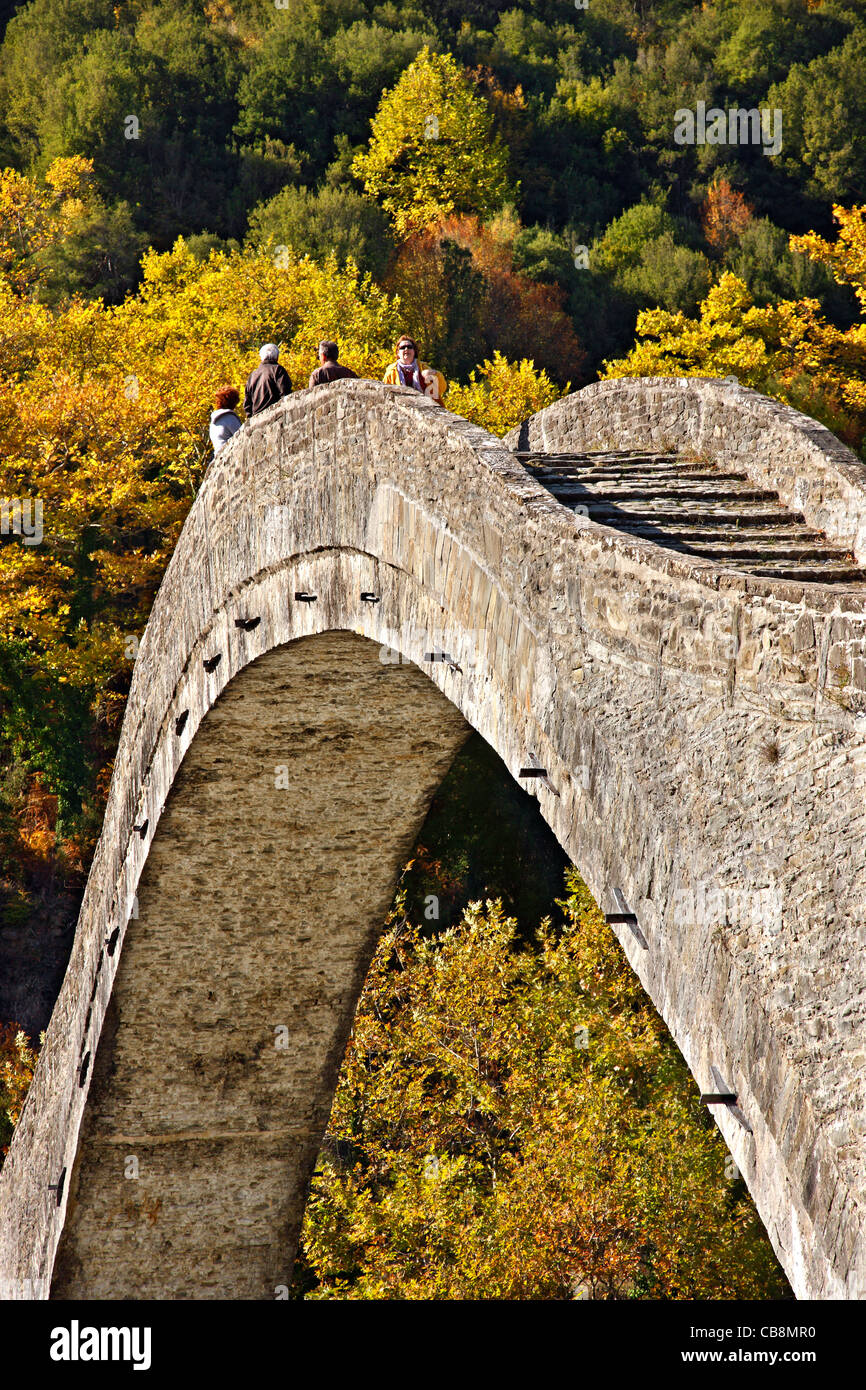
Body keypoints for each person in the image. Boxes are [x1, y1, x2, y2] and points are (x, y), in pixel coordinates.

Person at [383, 336, 447, 403]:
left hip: (426, 408)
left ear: (414, 351)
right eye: (402, 348)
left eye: (409, 347)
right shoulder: (391, 372)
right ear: (398, 353)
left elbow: (442, 388)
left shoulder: (423, 368)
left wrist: (434, 373)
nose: (406, 349)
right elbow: (384, 394)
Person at [243, 343, 292, 417]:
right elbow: (285, 394)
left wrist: (251, 419)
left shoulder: (252, 375)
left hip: (256, 419)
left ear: (261, 357)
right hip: (273, 416)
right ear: (277, 356)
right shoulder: (277, 370)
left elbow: (247, 404)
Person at [209, 386, 242, 453]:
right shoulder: (230, 418)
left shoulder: (214, 420)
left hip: (218, 457)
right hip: (229, 455)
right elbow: (242, 438)